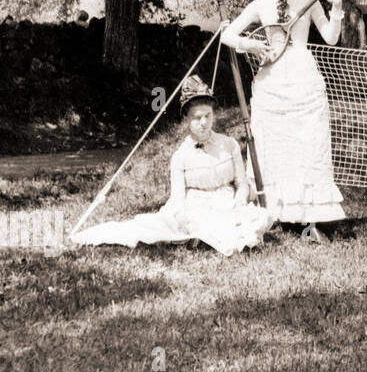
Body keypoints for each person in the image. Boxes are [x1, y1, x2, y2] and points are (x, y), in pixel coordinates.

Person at [221, 0, 346, 235]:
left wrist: (337, 6)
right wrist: (252, 45)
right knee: (274, 145)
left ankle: (309, 217)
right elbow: (228, 34)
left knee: (307, 144)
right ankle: (274, 211)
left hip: (303, 76)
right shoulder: (260, 4)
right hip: (272, 80)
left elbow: (330, 38)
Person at [71, 76, 273, 256]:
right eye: (196, 118)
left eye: (207, 116)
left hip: (228, 202)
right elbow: (178, 199)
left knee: (253, 220)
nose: (203, 122)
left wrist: (238, 203)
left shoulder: (229, 144)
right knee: (164, 227)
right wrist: (185, 219)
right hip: (197, 207)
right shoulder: (180, 157)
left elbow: (242, 183)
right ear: (186, 119)